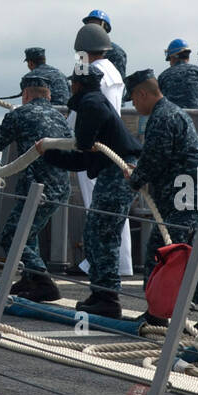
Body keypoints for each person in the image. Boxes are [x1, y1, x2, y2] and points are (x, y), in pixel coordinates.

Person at [37, 67, 141, 319]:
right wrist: (49, 153)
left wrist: (74, 144)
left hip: (118, 173)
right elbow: (82, 159)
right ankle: (100, 293)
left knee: (102, 234)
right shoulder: (92, 100)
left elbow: (82, 145)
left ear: (78, 85)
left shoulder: (91, 102)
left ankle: (107, 298)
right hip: (112, 172)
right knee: (96, 233)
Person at [123, 70, 198, 331]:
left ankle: (162, 314)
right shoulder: (172, 112)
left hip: (184, 200)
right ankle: (190, 310)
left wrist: (135, 177)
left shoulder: (162, 117)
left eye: (133, 99)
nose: (134, 105)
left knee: (165, 251)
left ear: (143, 93)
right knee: (179, 254)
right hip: (187, 197)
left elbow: (156, 159)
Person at [0, 72, 73, 302]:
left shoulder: (21, 114)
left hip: (37, 189)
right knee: (28, 233)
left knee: (12, 235)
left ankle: (43, 281)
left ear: (26, 94)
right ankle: (29, 278)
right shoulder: (59, 116)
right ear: (48, 96)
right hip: (60, 187)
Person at [72, 23, 132, 279]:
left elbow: (83, 108)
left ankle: (96, 261)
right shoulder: (112, 69)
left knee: (95, 207)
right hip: (112, 143)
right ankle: (121, 262)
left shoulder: (92, 70)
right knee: (116, 212)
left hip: (95, 144)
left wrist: (68, 135)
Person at [157, 39, 198, 110]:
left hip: (172, 118)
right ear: (188, 56)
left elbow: (156, 99)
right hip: (196, 118)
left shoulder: (163, 76)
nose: (170, 63)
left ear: (172, 57)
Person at [82, 10, 127, 80]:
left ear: (104, 27)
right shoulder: (83, 49)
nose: (91, 28)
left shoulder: (116, 52)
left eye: (94, 24)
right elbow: (79, 75)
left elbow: (119, 81)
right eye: (89, 25)